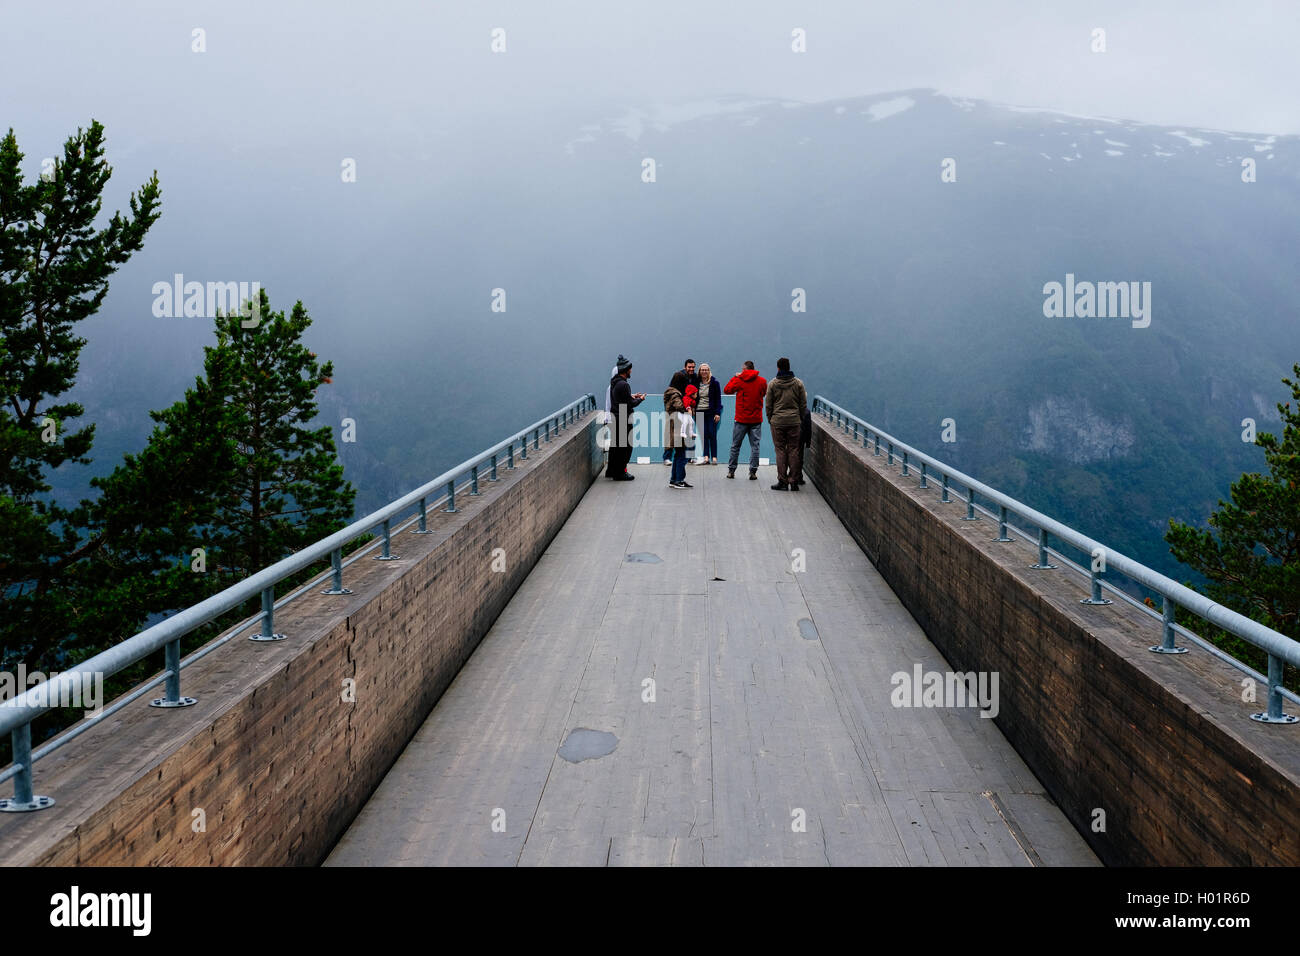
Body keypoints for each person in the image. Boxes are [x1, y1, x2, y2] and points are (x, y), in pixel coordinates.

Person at [765, 357, 807, 491]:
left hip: (777, 422)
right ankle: (794, 481)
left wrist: (771, 419)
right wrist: (799, 418)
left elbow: (768, 405)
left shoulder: (772, 384)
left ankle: (782, 481)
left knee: (780, 451)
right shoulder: (798, 383)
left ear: (778, 368)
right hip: (794, 421)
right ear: (789, 367)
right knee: (794, 450)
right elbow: (803, 404)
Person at [724, 361, 767, 480]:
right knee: (755, 446)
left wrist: (735, 377)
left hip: (741, 419)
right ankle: (753, 472)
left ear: (744, 369)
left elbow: (727, 390)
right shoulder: (762, 381)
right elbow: (764, 393)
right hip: (756, 419)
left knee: (735, 446)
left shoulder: (739, 380)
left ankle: (731, 471)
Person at [606, 356, 645, 480]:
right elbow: (630, 404)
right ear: (625, 370)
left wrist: (631, 396)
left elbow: (621, 399)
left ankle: (611, 470)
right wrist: (640, 399)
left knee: (616, 446)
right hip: (623, 418)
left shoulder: (614, 383)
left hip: (616, 417)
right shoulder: (624, 385)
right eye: (630, 369)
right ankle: (620, 472)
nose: (631, 371)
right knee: (626, 447)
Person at [663, 359, 699, 464]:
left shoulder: (694, 377)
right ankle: (668, 457)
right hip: (677, 412)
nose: (691, 369)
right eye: (689, 367)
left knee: (687, 433)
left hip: (685, 410)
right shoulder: (676, 386)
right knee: (673, 435)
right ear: (685, 367)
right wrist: (687, 408)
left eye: (693, 367)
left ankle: (688, 457)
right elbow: (675, 401)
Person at [662, 383, 693, 488]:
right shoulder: (676, 394)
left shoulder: (670, 393)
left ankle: (674, 479)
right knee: (682, 455)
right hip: (677, 429)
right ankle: (679, 480)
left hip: (674, 428)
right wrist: (688, 407)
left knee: (678, 455)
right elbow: (679, 406)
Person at [695, 363, 723, 464]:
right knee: (704, 435)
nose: (704, 372)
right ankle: (706, 456)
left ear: (709, 371)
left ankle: (714, 457)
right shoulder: (696, 382)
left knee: (712, 434)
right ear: (699, 371)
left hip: (711, 412)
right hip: (699, 411)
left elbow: (718, 399)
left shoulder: (715, 383)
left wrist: (717, 413)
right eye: (702, 370)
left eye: (706, 370)